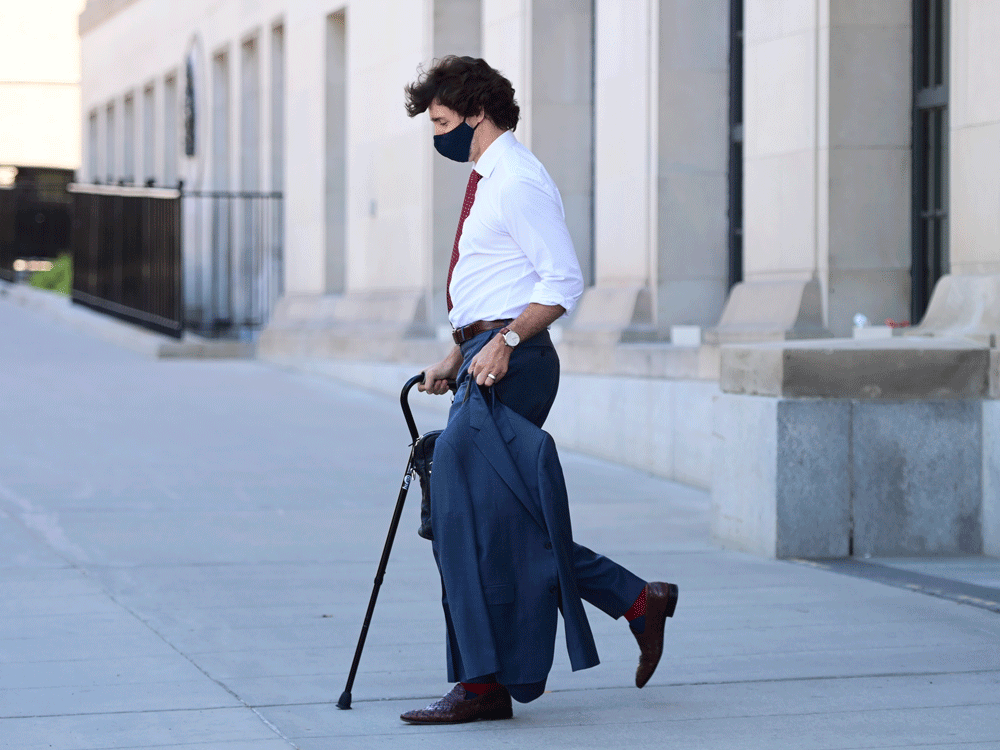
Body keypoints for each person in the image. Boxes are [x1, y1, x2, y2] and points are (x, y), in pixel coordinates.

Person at [400, 55, 678, 724]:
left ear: (474, 112)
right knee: (501, 526)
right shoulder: (489, 180)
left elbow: (561, 283)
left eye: (440, 121)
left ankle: (483, 684)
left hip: (512, 365)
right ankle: (636, 602)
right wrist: (456, 352)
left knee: (465, 523)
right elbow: (496, 289)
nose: (435, 135)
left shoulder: (517, 181)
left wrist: (503, 343)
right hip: (485, 356)